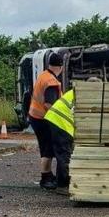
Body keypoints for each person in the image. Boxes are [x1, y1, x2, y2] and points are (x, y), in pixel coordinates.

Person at [28, 53, 64, 190]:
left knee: (45, 147)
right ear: (61, 67)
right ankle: (46, 178)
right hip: (43, 119)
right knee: (47, 149)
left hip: (35, 116)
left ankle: (47, 175)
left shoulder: (43, 75)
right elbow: (49, 104)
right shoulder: (52, 82)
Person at [43, 87, 75, 191]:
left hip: (53, 119)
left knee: (57, 153)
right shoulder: (85, 95)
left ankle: (56, 181)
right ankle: (63, 185)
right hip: (61, 123)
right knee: (64, 154)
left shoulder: (75, 91)